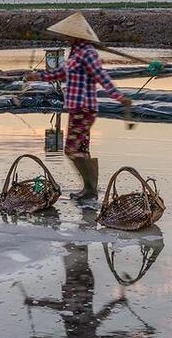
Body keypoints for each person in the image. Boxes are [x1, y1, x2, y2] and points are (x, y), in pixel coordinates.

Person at [24, 12, 132, 200]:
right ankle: (90, 189)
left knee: (71, 149)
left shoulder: (88, 53)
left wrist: (118, 96)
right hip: (77, 108)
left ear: (75, 35)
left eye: (68, 34)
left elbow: (101, 76)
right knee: (81, 149)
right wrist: (39, 76)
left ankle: (90, 189)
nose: (66, 37)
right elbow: (61, 73)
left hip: (84, 108)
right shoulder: (76, 53)